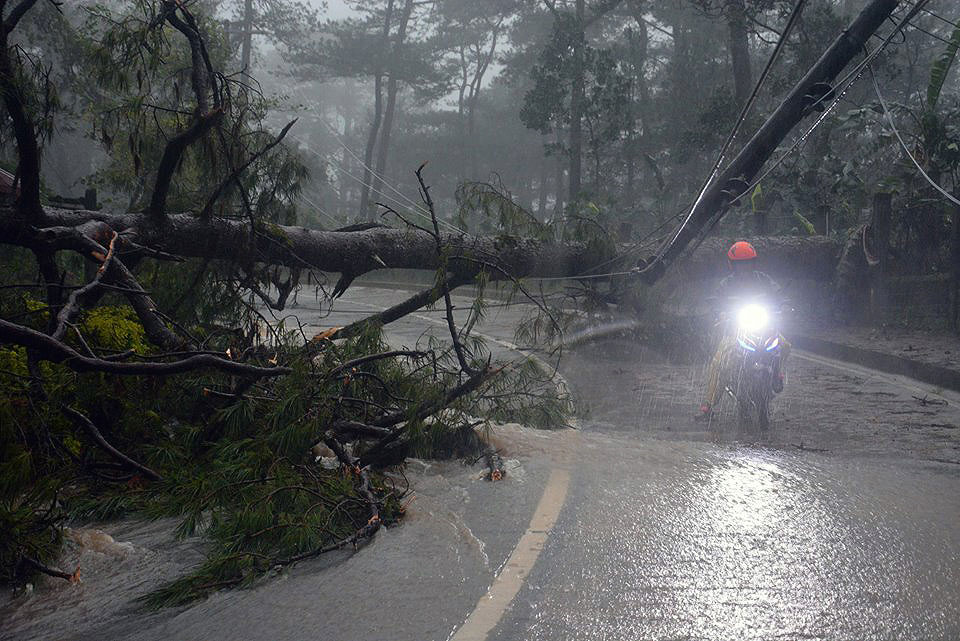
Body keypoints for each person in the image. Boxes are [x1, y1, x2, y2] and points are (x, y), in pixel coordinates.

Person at [698, 241, 790, 420]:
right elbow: (714, 300)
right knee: (720, 362)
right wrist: (720, 312)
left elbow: (779, 294)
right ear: (732, 265)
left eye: (747, 263)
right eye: (740, 264)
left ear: (753, 263)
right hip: (736, 331)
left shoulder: (763, 279)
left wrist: (785, 305)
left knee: (785, 345)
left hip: (764, 328)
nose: (744, 268)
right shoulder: (726, 284)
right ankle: (708, 406)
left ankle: (776, 373)